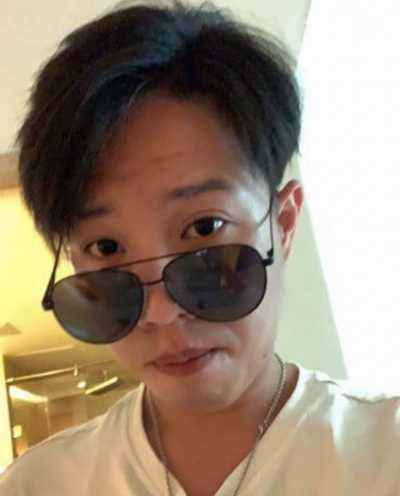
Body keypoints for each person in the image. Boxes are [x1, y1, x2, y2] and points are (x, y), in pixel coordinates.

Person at [1, 2, 399, 495]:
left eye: (205, 228)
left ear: (283, 225)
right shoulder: (36, 486)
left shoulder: (385, 456)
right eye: (106, 246)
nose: (162, 313)